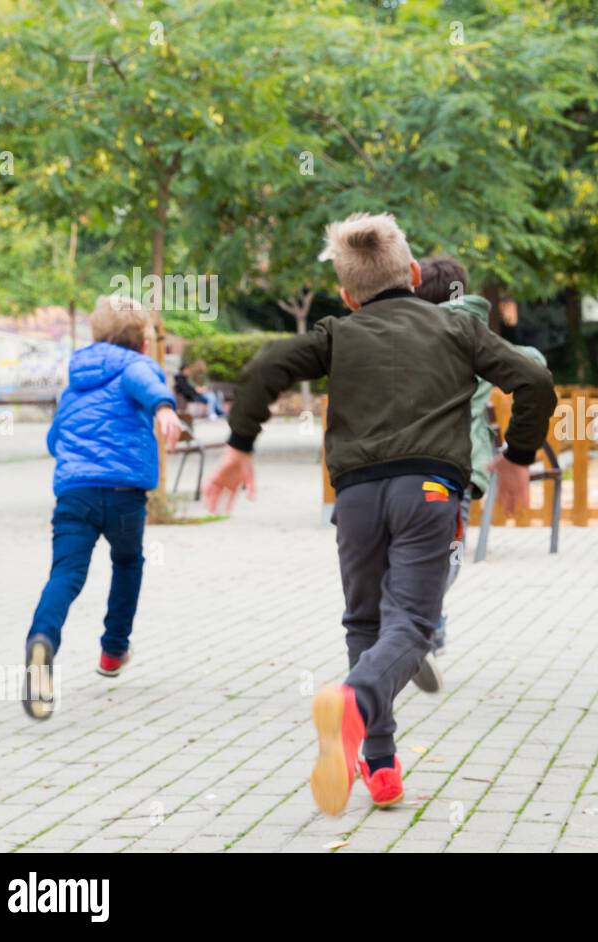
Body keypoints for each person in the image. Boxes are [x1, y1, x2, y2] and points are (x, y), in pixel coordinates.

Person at [203, 213, 556, 814]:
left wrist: (239, 445)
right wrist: (518, 456)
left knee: (363, 622)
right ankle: (355, 701)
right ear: (414, 274)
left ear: (346, 293)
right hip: (430, 492)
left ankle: (381, 763)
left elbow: (266, 366)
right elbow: (534, 379)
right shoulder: (455, 330)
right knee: (412, 627)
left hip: (358, 498)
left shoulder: (337, 333)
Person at [23, 295, 181, 720]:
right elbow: (150, 390)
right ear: (143, 344)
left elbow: (55, 440)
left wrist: (75, 453)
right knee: (128, 563)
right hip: (124, 496)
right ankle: (113, 650)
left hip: (74, 493)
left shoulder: (76, 381)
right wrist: (165, 410)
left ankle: (42, 639)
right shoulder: (136, 366)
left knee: (66, 574)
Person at [415, 255, 547, 654]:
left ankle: (419, 621)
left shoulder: (412, 334)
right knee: (447, 554)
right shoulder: (472, 337)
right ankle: (426, 622)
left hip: (403, 469)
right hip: (457, 472)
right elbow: (535, 363)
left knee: (406, 548)